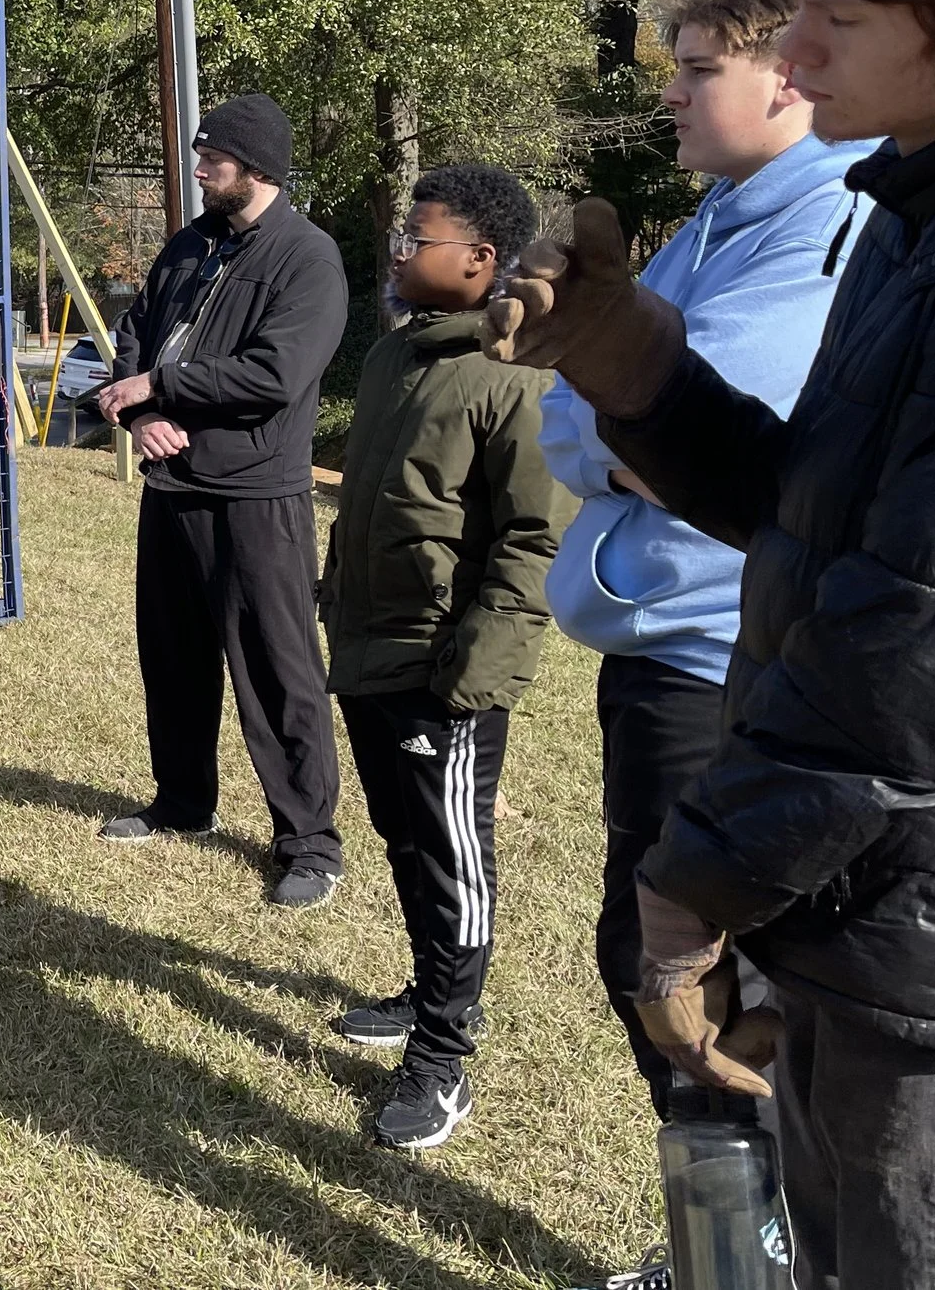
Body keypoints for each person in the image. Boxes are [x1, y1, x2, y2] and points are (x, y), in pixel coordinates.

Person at [486, 0, 935, 1290]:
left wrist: (689, 888)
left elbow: (919, 661)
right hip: (868, 875)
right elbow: (816, 512)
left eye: (839, 17)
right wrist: (633, 359)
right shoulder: (933, 206)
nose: (799, 48)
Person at [539, 0, 870, 1138]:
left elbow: (717, 433)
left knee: (704, 990)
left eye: (697, 69)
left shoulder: (828, 223)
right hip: (664, 656)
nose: (669, 93)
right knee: (653, 966)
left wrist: (624, 417)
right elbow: (566, 410)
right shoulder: (715, 223)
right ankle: (718, 1213)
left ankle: (751, 1219)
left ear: (786, 74)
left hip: (722, 662)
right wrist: (621, 423)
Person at [322, 163, 567, 1149]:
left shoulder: (521, 374)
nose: (396, 252)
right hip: (368, 650)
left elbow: (533, 539)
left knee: (452, 853)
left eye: (413, 238)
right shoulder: (395, 356)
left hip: (444, 672)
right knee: (402, 838)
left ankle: (443, 1054)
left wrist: (474, 674)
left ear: (480, 258)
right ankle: (427, 991)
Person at [95, 94, 350, 907]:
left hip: (255, 493)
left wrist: (161, 387)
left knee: (277, 667)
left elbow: (275, 373)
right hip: (172, 485)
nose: (200, 169)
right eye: (201, 156)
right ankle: (183, 801)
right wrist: (141, 414)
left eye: (215, 159)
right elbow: (135, 333)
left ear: (259, 167)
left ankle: (309, 843)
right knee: (171, 655)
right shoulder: (192, 242)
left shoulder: (309, 259)